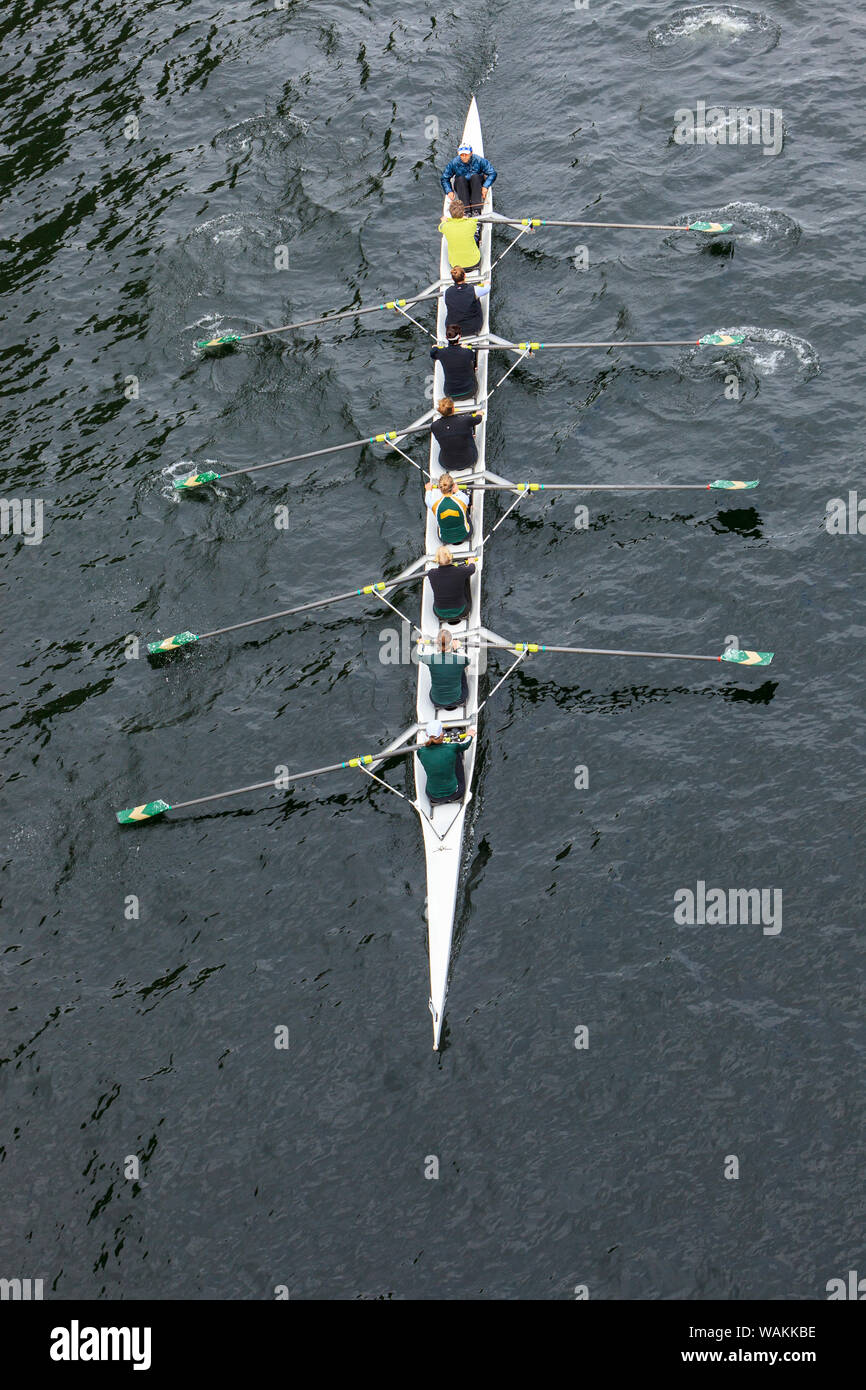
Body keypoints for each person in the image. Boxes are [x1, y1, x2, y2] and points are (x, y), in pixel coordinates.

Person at [418, 720, 476, 806]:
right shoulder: (452, 747)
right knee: (457, 754)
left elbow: (428, 749)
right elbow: (466, 744)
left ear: (427, 735)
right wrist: (470, 734)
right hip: (455, 793)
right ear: (442, 734)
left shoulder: (420, 751)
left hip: (433, 796)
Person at [419, 628, 472, 710]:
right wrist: (459, 648)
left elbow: (419, 655)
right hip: (459, 699)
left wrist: (421, 643)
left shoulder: (431, 659)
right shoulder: (460, 659)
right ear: (451, 644)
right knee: (461, 669)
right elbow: (469, 660)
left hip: (436, 701)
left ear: (437, 643)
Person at [440, 141, 497, 213]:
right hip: (462, 186)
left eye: (466, 154)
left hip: (476, 185)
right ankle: (466, 211)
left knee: (475, 177)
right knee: (460, 179)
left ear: (471, 153)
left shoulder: (479, 160)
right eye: (461, 155)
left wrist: (485, 186)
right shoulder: (454, 163)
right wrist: (449, 191)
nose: (464, 157)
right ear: (458, 154)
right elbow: (444, 179)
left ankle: (476, 210)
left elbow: (492, 173)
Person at [425, 545, 475, 621]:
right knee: (466, 578)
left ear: (437, 560)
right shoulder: (460, 571)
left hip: (439, 613)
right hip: (461, 611)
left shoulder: (431, 573)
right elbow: (472, 569)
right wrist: (471, 562)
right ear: (450, 557)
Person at [431, 397, 481, 470]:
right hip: (469, 460)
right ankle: (470, 437)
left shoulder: (434, 426)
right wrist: (479, 414)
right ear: (453, 409)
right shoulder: (465, 420)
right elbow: (478, 419)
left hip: (446, 464)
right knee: (467, 433)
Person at [429, 324, 477, 400]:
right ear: (460, 337)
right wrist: (466, 348)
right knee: (471, 362)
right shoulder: (467, 352)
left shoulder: (440, 353)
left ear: (446, 338)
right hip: (470, 392)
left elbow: (432, 353)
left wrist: (435, 347)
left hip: (450, 395)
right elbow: (472, 356)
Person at [425, 478, 472, 546]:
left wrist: (428, 490)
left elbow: (427, 499)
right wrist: (457, 491)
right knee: (464, 507)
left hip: (444, 539)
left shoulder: (433, 503)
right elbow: (465, 499)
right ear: (453, 487)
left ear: (440, 489)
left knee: (439, 512)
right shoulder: (463, 499)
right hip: (466, 535)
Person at [444, 266, 489, 335]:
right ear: (465, 276)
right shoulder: (474, 290)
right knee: (476, 298)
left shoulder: (446, 292)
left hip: (453, 330)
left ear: (453, 279)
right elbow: (487, 289)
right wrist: (487, 283)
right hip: (473, 328)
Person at [438, 199, 481, 270]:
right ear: (463, 212)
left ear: (450, 213)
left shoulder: (445, 226)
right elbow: (473, 225)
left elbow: (440, 227)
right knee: (475, 235)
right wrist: (466, 219)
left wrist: (444, 221)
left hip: (456, 266)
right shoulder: (471, 223)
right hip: (474, 262)